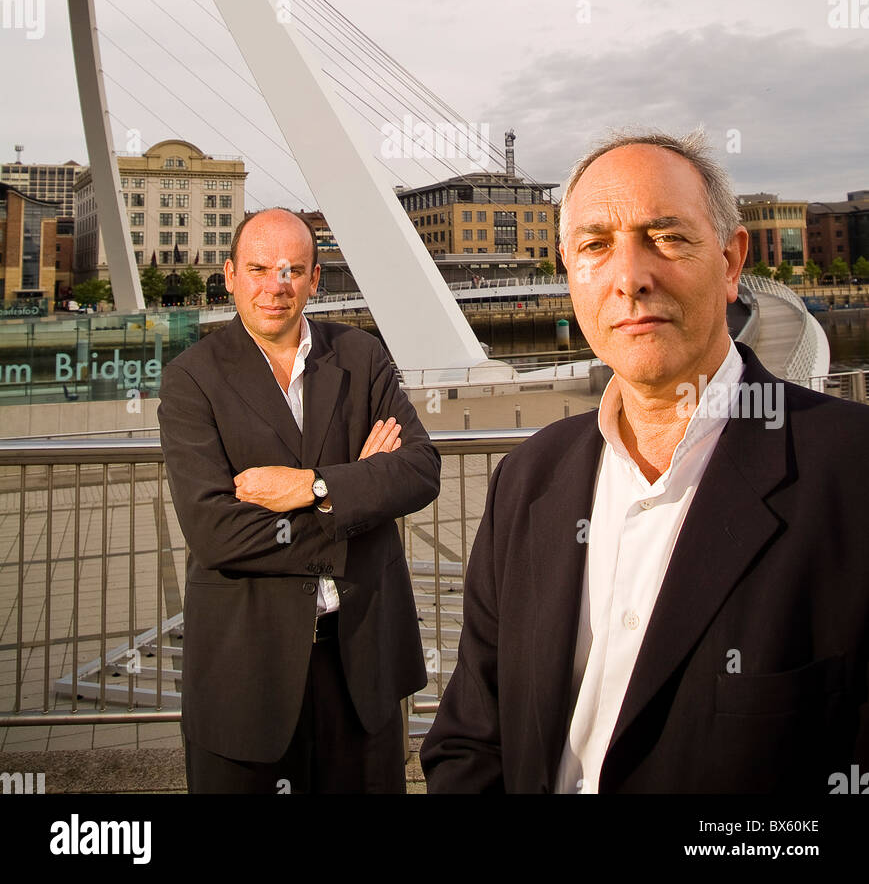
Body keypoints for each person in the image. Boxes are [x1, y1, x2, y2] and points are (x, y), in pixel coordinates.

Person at [421, 130, 869, 794]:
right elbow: (471, 738)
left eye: (666, 237)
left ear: (729, 262)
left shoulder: (851, 478)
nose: (629, 278)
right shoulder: (527, 480)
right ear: (568, 271)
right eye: (595, 247)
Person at [158, 207, 441, 794]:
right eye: (259, 268)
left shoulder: (360, 356)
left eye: (292, 270)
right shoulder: (192, 379)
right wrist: (356, 491)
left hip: (362, 659)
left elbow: (418, 470)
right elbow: (215, 533)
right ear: (231, 275)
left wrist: (312, 487)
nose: (275, 286)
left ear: (314, 281)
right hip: (247, 669)